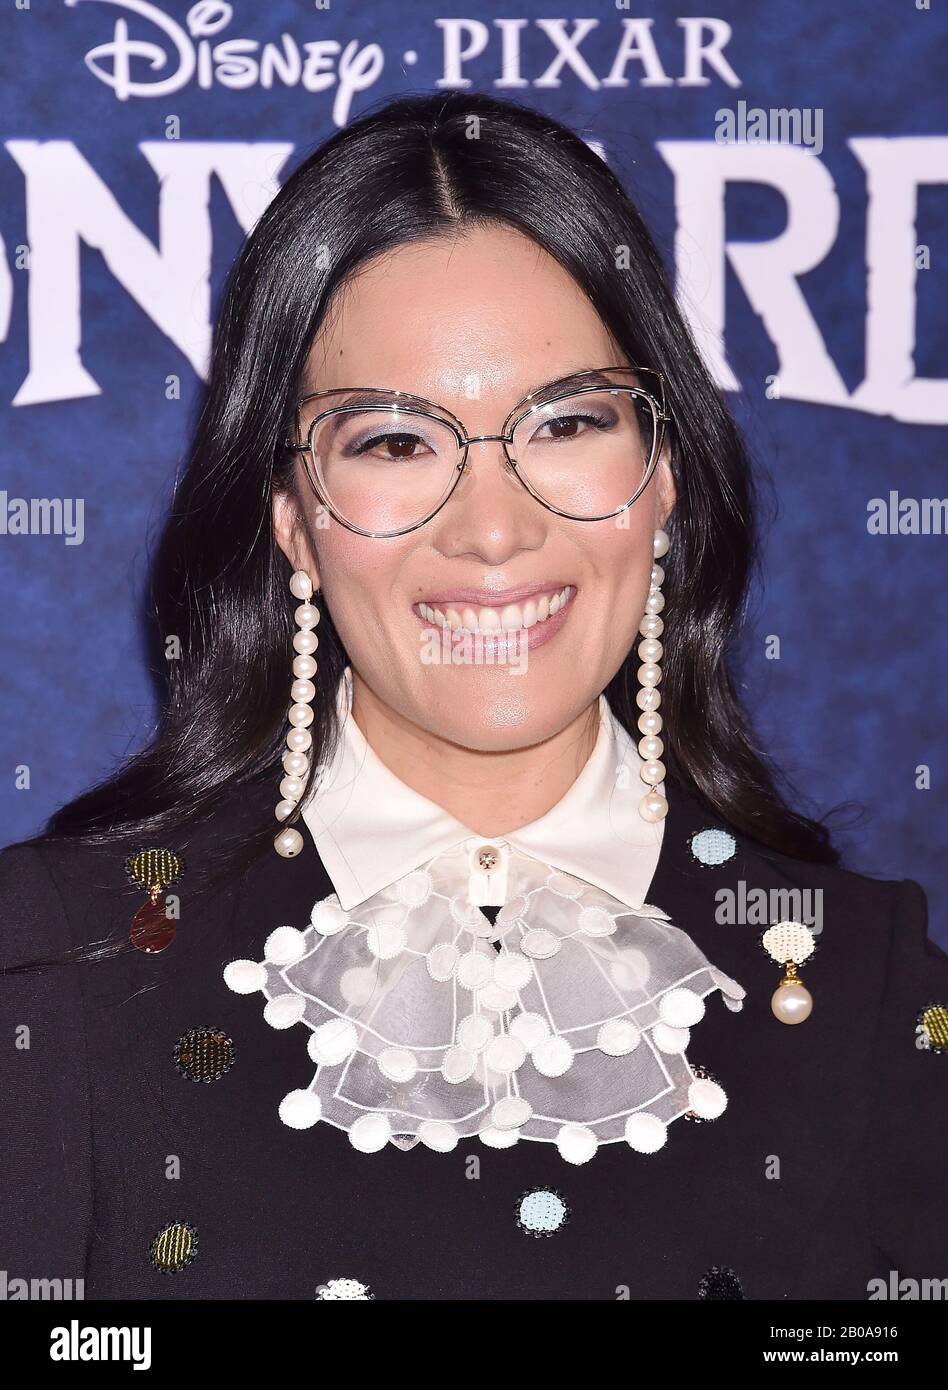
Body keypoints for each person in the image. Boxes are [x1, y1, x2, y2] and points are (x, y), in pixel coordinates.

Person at [1, 91, 945, 1302]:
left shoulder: (866, 985)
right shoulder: (63, 967)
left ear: (665, 479)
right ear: (293, 517)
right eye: (396, 441)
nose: (494, 532)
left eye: (564, 422)